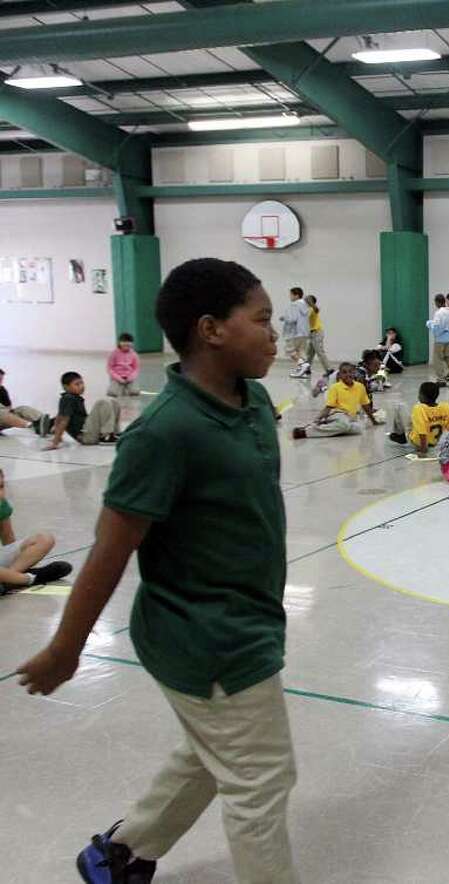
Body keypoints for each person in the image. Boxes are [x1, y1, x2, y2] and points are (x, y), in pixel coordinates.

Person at [17, 257, 300, 883]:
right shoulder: (164, 433)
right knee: (261, 780)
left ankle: (118, 855)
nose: (275, 333)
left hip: (251, 617)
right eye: (261, 319)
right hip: (206, 637)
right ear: (211, 329)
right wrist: (66, 647)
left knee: (213, 749)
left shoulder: (253, 400)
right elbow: (109, 550)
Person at [0, 467, 73, 593]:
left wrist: (17, 560)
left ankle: (10, 579)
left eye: (1, 487)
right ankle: (28, 578)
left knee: (44, 539)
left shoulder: (1, 505)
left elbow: (8, 539)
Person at [292, 361, 382, 439]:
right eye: (344, 372)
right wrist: (317, 419)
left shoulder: (360, 387)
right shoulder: (335, 387)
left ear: (354, 373)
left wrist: (373, 420)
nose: (348, 374)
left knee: (358, 429)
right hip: (337, 413)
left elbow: (365, 406)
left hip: (351, 417)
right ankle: (306, 432)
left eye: (350, 372)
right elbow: (328, 407)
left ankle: (329, 427)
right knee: (344, 425)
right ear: (340, 375)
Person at [47, 372, 121, 448]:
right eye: (77, 384)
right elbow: (63, 420)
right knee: (102, 403)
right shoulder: (68, 398)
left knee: (113, 402)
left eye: (82, 383)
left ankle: (113, 433)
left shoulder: (74, 398)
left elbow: (59, 417)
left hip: (89, 432)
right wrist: (55, 442)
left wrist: (56, 433)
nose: (81, 386)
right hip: (85, 436)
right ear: (66, 387)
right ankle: (106, 435)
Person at [399, 381, 449, 452]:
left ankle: (399, 435)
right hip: (438, 443)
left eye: (419, 393)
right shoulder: (446, 407)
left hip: (420, 443)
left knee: (400, 407)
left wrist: (423, 450)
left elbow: (422, 432)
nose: (418, 396)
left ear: (423, 396)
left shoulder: (419, 408)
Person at [0, 368, 52, 436]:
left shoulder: (2, 390)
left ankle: (45, 423)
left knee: (23, 409)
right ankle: (33, 426)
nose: (0, 381)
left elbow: (8, 407)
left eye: (1, 379)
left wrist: (11, 413)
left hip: (4, 419)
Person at [426, 294, 449, 385]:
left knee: (437, 359)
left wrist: (429, 324)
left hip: (440, 339)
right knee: (448, 357)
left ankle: (441, 379)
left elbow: (437, 327)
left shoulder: (439, 313)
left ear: (437, 302)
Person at [280, 286, 310, 376]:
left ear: (296, 295)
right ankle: (304, 372)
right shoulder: (305, 305)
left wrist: (284, 318)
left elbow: (292, 319)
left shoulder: (294, 305)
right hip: (304, 333)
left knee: (289, 350)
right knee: (301, 351)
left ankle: (303, 365)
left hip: (294, 333)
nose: (290, 297)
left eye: (291, 295)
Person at [302, 294, 332, 377]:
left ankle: (329, 369)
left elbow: (316, 309)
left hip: (317, 333)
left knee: (320, 352)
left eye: (307, 300)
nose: (305, 301)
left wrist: (309, 302)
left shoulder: (313, 309)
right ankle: (306, 369)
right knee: (309, 353)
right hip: (312, 334)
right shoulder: (307, 310)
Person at [107, 332, 141, 397]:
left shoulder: (134, 354)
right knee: (112, 393)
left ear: (132, 344)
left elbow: (136, 369)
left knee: (135, 392)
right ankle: (120, 387)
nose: (126, 344)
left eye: (128, 342)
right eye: (124, 341)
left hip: (129, 378)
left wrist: (130, 378)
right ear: (119, 342)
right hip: (117, 378)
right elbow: (110, 368)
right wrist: (118, 378)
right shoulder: (113, 354)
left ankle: (126, 388)